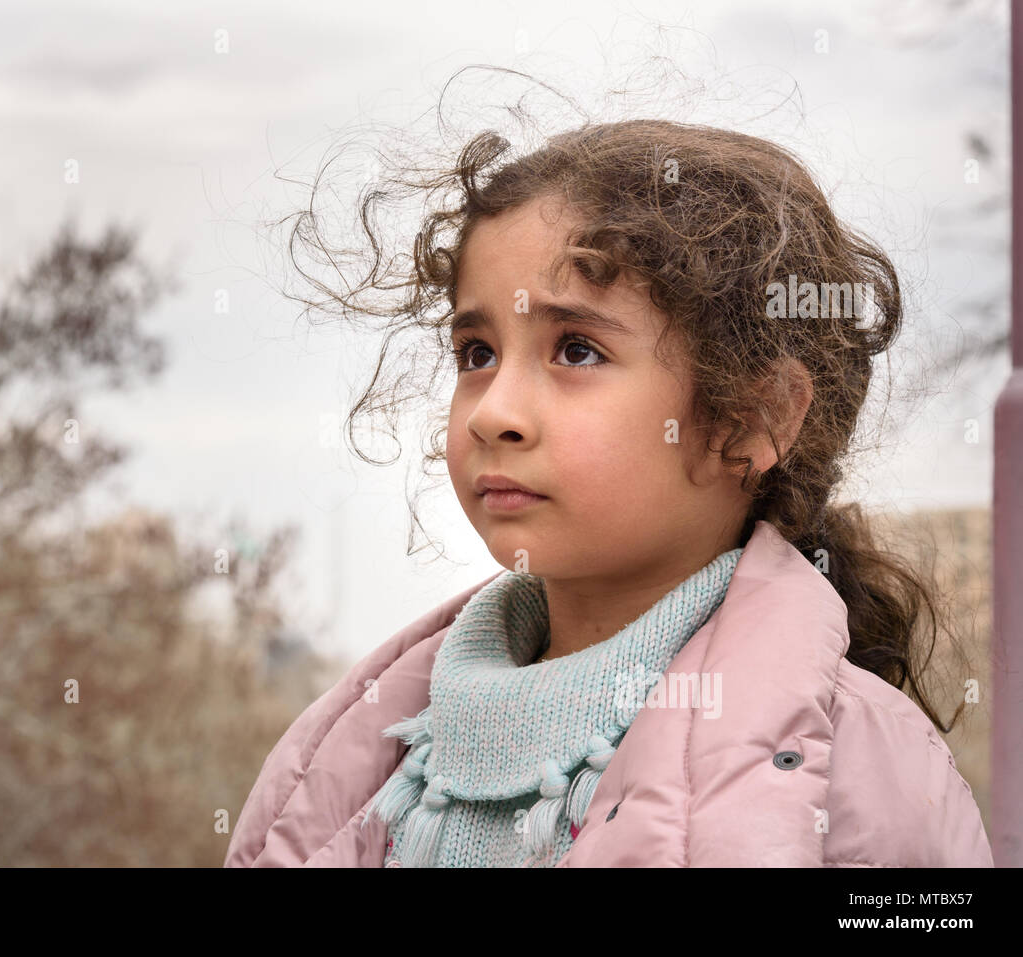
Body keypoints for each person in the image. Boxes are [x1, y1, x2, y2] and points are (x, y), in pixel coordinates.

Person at [223, 116, 994, 868]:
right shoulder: (340, 758)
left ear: (752, 417)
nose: (494, 412)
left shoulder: (866, 768)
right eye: (477, 352)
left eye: (577, 349)